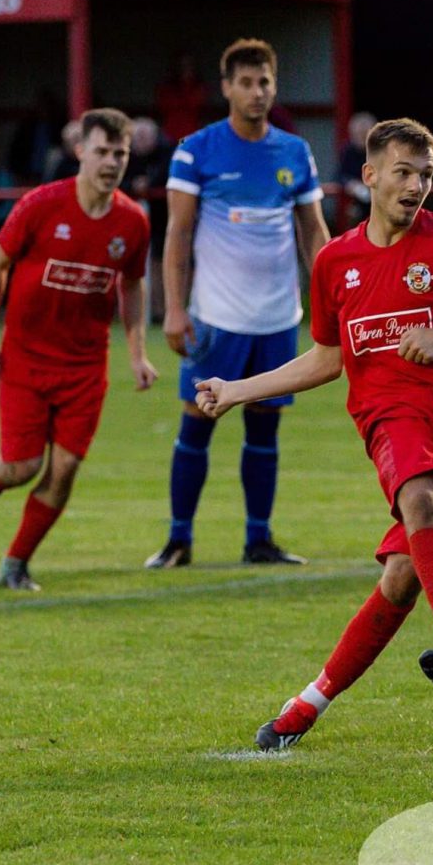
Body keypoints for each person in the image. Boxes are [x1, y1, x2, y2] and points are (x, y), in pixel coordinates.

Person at [192, 118, 433, 750]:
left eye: (425, 175)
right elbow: (329, 357)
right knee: (420, 501)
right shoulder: (335, 263)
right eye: (403, 173)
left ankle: (303, 709)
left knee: (402, 578)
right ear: (370, 175)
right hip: (389, 417)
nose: (415, 186)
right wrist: (238, 390)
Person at [0, 109, 156, 591]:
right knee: (22, 467)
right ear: (80, 151)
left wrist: (137, 354)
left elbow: (131, 286)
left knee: (64, 470)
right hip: (26, 358)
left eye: (120, 154)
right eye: (102, 151)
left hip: (85, 366)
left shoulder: (133, 221)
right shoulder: (41, 204)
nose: (111, 163)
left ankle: (16, 563)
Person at [148, 38, 330, 569]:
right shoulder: (197, 149)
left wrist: (332, 300)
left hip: (277, 320)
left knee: (265, 427)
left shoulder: (294, 151)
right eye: (246, 83)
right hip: (216, 319)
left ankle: (259, 540)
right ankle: (179, 540)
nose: (257, 92)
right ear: (226, 88)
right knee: (197, 422)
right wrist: (175, 309)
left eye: (264, 82)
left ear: (274, 87)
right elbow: (178, 234)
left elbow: (313, 232)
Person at [336, 110, 378, 227]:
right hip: (358, 203)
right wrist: (351, 184)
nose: (360, 138)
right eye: (356, 134)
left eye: (364, 134)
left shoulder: (382, 151)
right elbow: (339, 175)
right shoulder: (348, 150)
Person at [155, 51, 208, 142]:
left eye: (188, 66)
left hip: (190, 134)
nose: (185, 70)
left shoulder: (199, 87)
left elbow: (194, 104)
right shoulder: (166, 87)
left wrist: (187, 83)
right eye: (182, 66)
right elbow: (164, 105)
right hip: (169, 135)